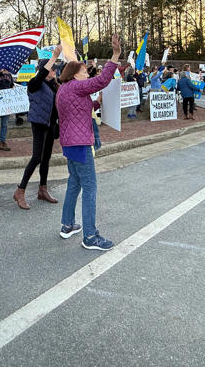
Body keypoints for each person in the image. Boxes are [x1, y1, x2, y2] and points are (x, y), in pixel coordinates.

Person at [56, 35, 122, 251]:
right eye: (84, 71)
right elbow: (102, 81)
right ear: (75, 74)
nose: (87, 73)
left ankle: (67, 225)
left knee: (74, 183)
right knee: (90, 187)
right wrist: (115, 55)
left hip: (69, 144)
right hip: (80, 144)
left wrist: (96, 102)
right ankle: (90, 236)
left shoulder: (64, 89)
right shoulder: (77, 86)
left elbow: (78, 110)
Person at [14, 46, 63, 210]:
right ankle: (20, 191)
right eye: (52, 70)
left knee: (46, 158)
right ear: (44, 69)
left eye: (55, 70)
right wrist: (54, 56)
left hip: (50, 125)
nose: (54, 72)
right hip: (39, 124)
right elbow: (41, 74)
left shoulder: (54, 86)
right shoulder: (34, 83)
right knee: (37, 157)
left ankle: (43, 190)